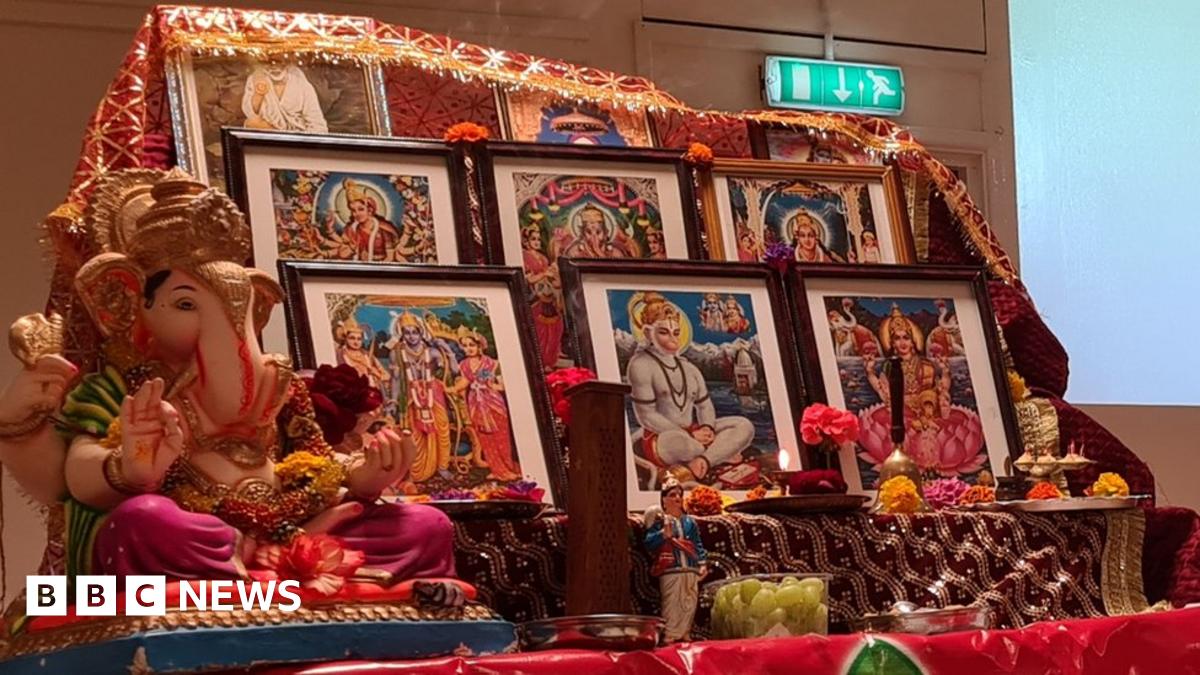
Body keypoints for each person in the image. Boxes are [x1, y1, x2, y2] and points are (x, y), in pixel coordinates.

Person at [625, 293, 754, 481]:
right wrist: (690, 433)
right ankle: (721, 454)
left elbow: (704, 406)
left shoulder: (689, 368)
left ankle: (704, 460)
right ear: (647, 333)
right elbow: (646, 416)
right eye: (663, 332)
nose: (672, 339)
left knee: (744, 426)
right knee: (680, 443)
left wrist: (707, 428)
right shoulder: (640, 365)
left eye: (676, 333)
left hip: (695, 432)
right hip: (664, 437)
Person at [389, 311, 456, 482]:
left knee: (442, 430)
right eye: (407, 333)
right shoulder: (396, 354)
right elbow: (396, 379)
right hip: (411, 395)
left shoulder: (433, 352)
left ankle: (442, 467)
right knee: (415, 433)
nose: (411, 337)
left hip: (434, 393)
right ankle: (416, 470)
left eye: (415, 332)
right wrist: (394, 400)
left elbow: (453, 371)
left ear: (421, 332)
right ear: (402, 334)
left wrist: (448, 351)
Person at [451, 327, 521, 481]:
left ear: (479, 346)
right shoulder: (464, 364)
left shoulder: (490, 363)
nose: (468, 349)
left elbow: (501, 385)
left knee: (501, 436)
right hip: (475, 404)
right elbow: (465, 382)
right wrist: (449, 389)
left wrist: (489, 387)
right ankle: (496, 469)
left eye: (472, 345)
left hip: (493, 403)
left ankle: (507, 467)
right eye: (465, 346)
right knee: (485, 438)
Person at [863, 304, 951, 424]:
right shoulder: (889, 366)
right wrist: (870, 372)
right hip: (901, 416)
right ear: (892, 343)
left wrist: (945, 372)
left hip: (928, 413)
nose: (902, 342)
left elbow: (941, 390)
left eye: (906, 338)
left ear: (912, 341)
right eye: (897, 338)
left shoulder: (927, 365)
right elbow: (883, 391)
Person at [644, 478, 707, 642]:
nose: (677, 498)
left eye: (679, 495)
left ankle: (685, 631)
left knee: (689, 601)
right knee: (672, 603)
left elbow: (697, 544)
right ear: (664, 499)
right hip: (671, 568)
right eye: (672, 495)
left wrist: (702, 563)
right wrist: (662, 535)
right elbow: (649, 542)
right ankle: (671, 634)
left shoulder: (689, 522)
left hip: (690, 569)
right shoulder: (659, 521)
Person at [521, 223, 564, 371]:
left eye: (539, 239)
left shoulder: (543, 258)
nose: (537, 242)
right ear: (526, 242)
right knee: (539, 330)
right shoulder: (523, 257)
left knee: (555, 327)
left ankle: (550, 361)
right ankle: (538, 361)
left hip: (548, 296)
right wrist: (544, 274)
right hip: (534, 298)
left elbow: (551, 274)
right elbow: (527, 279)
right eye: (533, 239)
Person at [241, 63, 329, 133]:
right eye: (270, 61)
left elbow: (317, 123)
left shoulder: (302, 86)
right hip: (267, 143)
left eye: (279, 61)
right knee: (252, 123)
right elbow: (250, 113)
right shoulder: (256, 79)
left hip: (296, 140)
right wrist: (259, 94)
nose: (274, 65)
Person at [329, 180, 402, 262]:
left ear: (370, 210)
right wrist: (330, 228)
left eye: (361, 209)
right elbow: (342, 254)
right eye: (353, 210)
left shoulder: (383, 230)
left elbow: (390, 258)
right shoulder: (351, 229)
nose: (357, 214)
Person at [335, 317, 390, 390]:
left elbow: (386, 376)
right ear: (345, 339)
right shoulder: (340, 354)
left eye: (359, 339)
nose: (356, 342)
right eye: (352, 338)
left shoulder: (366, 355)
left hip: (371, 392)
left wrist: (376, 374)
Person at [562, 205, 629, 258]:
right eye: (589, 232)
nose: (594, 237)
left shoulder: (615, 253)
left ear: (606, 233)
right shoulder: (574, 252)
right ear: (582, 234)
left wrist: (599, 252)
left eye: (598, 232)